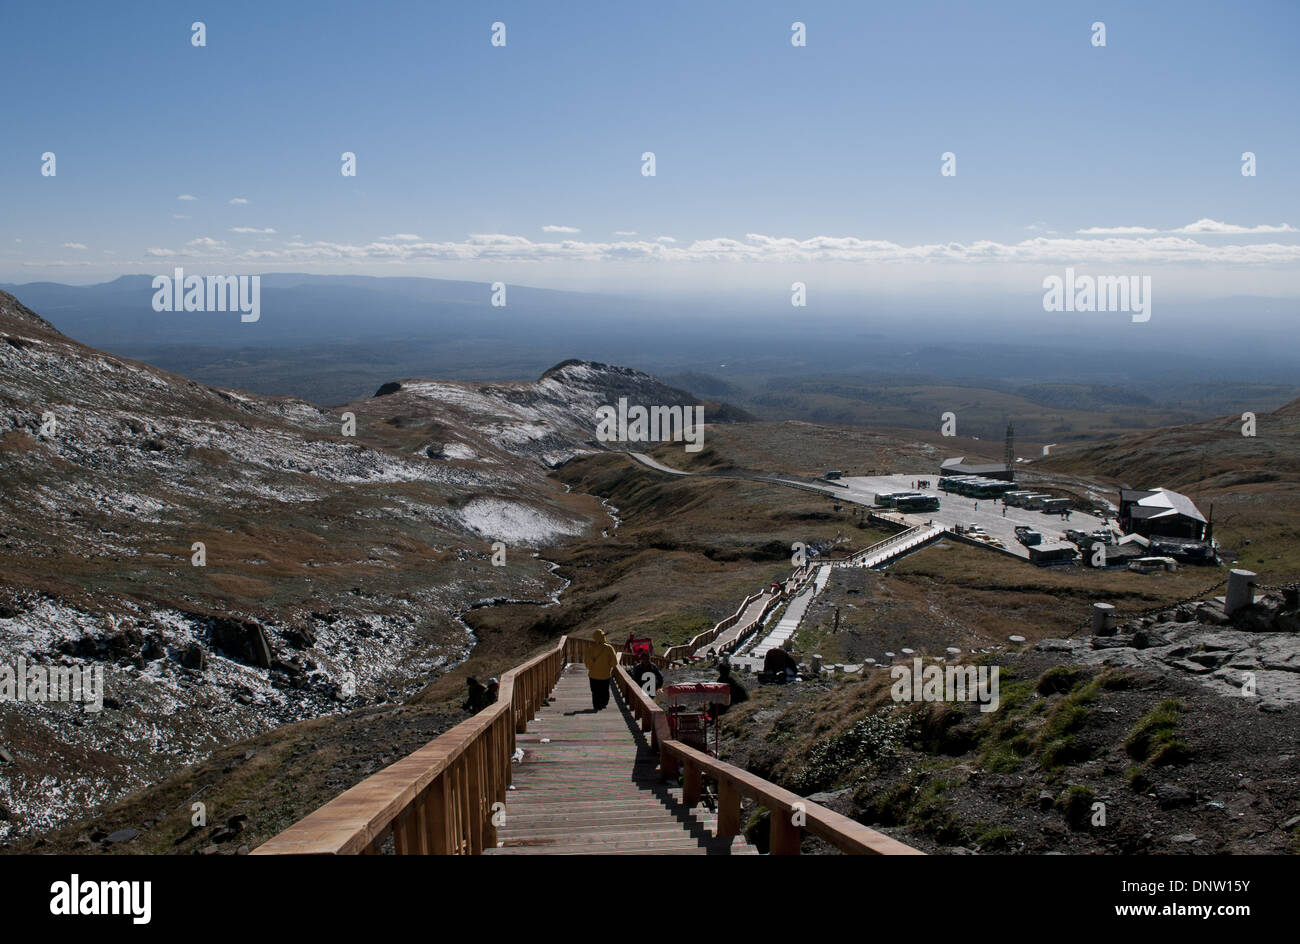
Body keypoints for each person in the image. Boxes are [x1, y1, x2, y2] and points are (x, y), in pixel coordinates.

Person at [584, 629, 618, 711]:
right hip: (605, 674)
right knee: (605, 691)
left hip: (593, 675)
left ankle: (596, 705)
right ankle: (603, 704)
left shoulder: (591, 649)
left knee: (595, 691)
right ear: (603, 637)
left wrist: (592, 667)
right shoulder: (609, 648)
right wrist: (608, 666)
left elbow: (587, 663)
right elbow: (614, 662)